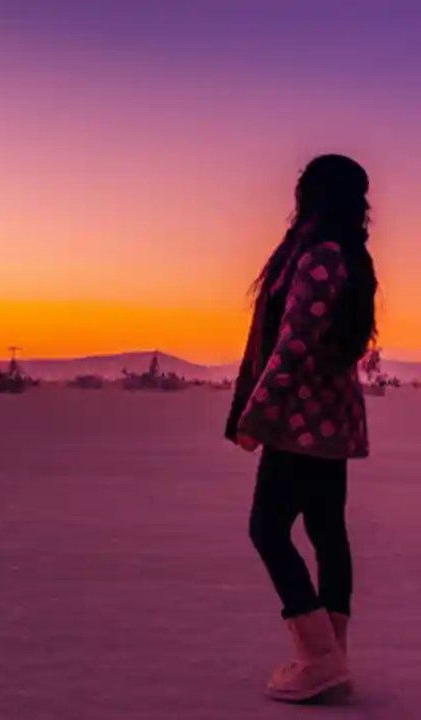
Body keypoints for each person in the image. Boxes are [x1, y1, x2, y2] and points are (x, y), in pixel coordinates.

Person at [225, 154, 377, 703]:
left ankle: (319, 658)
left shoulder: (318, 257)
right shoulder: (351, 256)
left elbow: (293, 344)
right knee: (325, 531)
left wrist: (255, 415)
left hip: (300, 421)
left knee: (268, 528)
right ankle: (331, 656)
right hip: (330, 422)